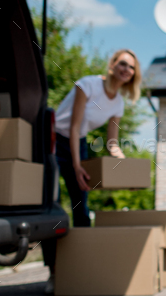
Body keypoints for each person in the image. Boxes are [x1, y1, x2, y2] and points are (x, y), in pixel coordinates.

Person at [52, 49, 142, 227]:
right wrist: (77, 166)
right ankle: (54, 237)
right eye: (123, 64)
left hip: (78, 141)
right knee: (53, 194)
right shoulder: (88, 85)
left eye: (131, 67)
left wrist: (128, 172)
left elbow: (112, 144)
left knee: (81, 198)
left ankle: (83, 241)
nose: (127, 69)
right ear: (113, 65)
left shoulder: (118, 103)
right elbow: (74, 127)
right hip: (54, 139)